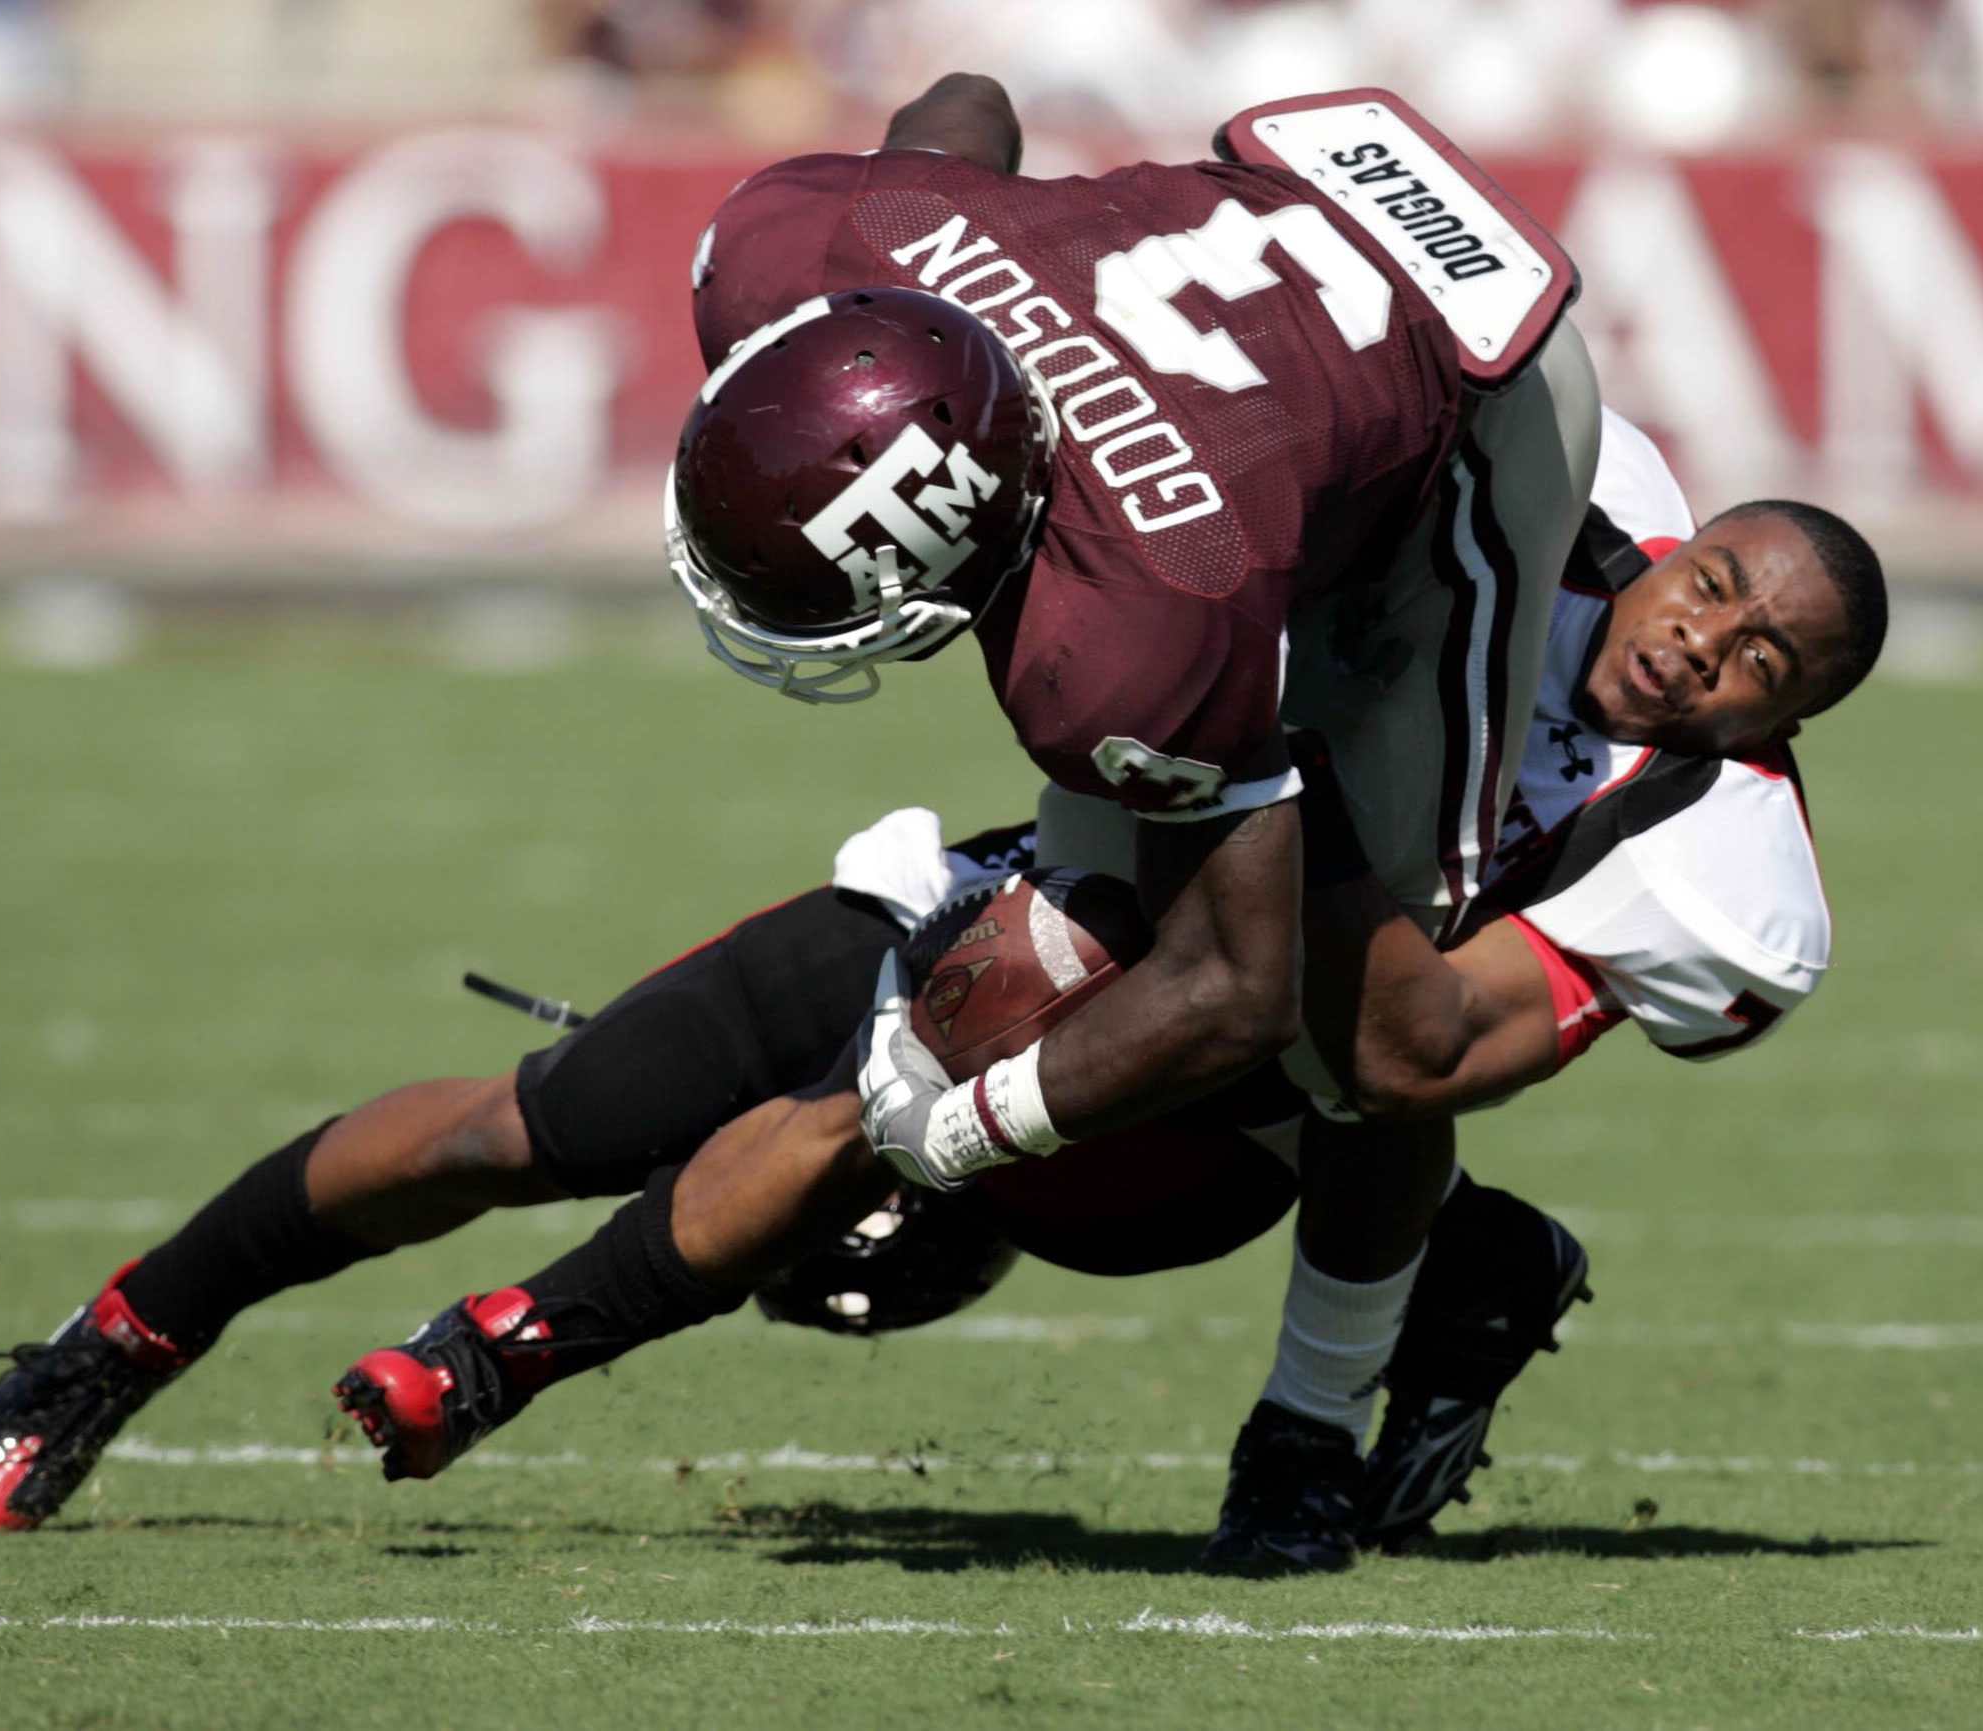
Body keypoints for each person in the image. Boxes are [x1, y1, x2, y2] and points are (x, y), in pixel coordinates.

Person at [0, 409, 1891, 1573]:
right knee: (544, 1119)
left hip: (1234, 1087)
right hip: (1064, 875)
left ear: (1790, 716)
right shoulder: (1554, 466)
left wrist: (1290, 810)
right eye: (1715, 585)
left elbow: (1416, 1037)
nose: (1704, 643)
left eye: (1763, 662)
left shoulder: (1728, 866)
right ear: (1685, 536)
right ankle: (124, 1330)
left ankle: (1306, 1420)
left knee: (1374, 1088)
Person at [659, 71, 1608, 1566]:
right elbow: (961, 105)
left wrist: (961, 1129)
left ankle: (1313, 1421)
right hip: (1261, 327)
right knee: (1162, 864)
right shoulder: (795, 241)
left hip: (1470, 392)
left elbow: (1233, 990)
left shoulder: (1129, 623)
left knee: (1371, 1025)